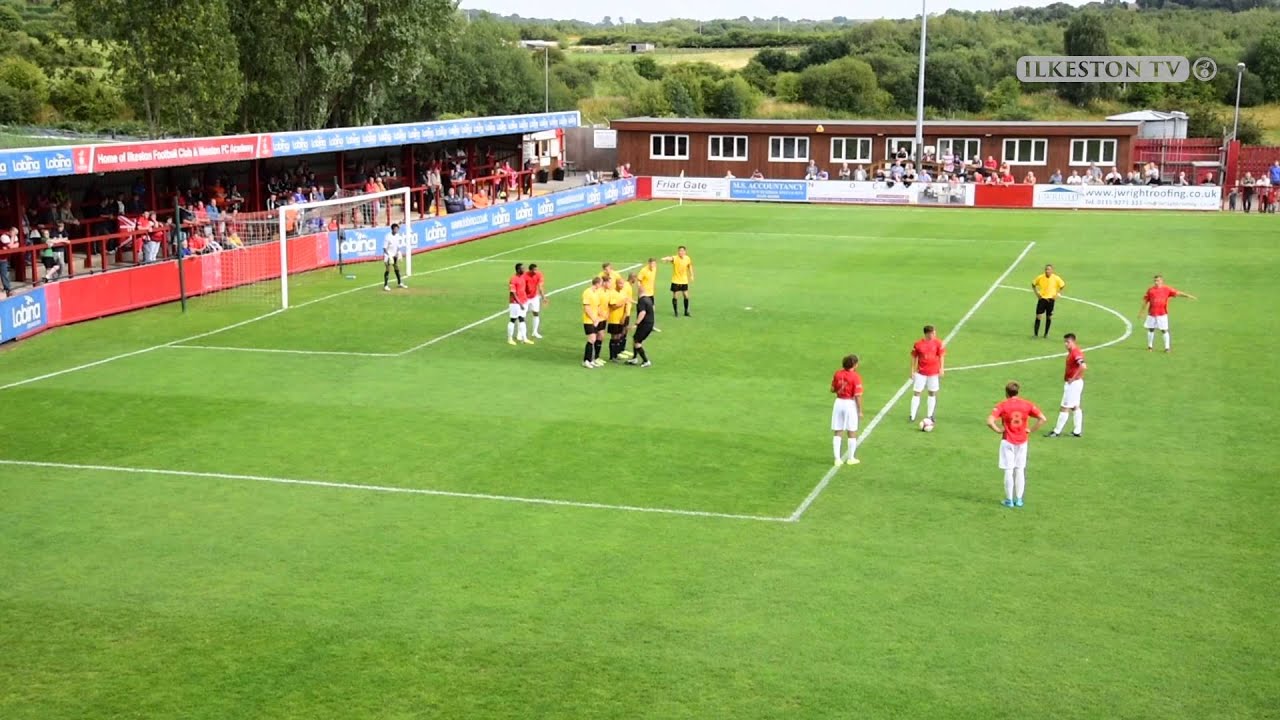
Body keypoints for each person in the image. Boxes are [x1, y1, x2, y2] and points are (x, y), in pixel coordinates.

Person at [987, 382, 1046, 507]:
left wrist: (998, 430)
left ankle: (1009, 500)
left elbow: (989, 421)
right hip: (1022, 441)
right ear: (1017, 392)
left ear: (1006, 393)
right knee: (1020, 469)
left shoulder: (1003, 405)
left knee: (1009, 470)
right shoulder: (1027, 404)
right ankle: (1019, 499)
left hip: (1008, 440)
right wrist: (1031, 430)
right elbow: (1042, 418)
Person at [1140, 274, 1197, 352]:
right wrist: (1142, 312)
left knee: (1164, 330)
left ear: (1162, 281)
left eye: (1158, 280)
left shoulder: (1166, 289)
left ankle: (1167, 348)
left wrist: (1188, 296)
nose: (1156, 282)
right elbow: (1146, 301)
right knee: (1150, 329)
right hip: (1152, 313)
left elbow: (1177, 293)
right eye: (1155, 281)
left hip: (1162, 313)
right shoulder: (1150, 290)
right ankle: (1150, 347)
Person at [1047, 333, 1086, 438]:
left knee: (1064, 407)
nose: (1065, 344)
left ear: (1073, 341)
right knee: (1075, 407)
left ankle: (1057, 431)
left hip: (1073, 384)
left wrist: (1073, 378)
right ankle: (1077, 431)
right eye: (1065, 342)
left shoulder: (1075, 353)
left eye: (1067, 342)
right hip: (1076, 383)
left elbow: (1083, 366)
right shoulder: (1072, 352)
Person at [830, 354, 864, 466]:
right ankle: (851, 458)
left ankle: (837, 459)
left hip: (838, 402)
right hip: (849, 404)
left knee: (838, 430)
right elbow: (858, 396)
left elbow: (832, 389)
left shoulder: (837, 373)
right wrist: (860, 410)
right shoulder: (855, 377)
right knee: (852, 430)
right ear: (854, 364)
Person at [909, 325, 946, 423]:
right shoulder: (918, 344)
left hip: (933, 373)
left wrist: (941, 368)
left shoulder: (938, 343)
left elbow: (941, 355)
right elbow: (913, 357)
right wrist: (912, 370)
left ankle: (930, 415)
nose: (935, 334)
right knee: (917, 392)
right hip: (921, 373)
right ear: (927, 333)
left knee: (932, 393)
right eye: (933, 333)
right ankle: (912, 415)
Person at [628, 277, 656, 367]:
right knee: (635, 338)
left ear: (638, 292)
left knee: (637, 343)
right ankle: (634, 358)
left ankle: (646, 361)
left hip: (645, 324)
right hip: (650, 323)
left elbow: (642, 312)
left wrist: (636, 324)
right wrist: (633, 301)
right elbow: (644, 307)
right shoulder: (647, 299)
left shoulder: (642, 301)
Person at [1032, 264, 1065, 338]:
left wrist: (1057, 294)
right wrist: (1037, 293)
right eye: (1046, 269)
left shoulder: (1056, 278)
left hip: (1051, 300)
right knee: (1038, 316)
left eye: (1049, 269)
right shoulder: (1040, 277)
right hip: (1042, 299)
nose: (1047, 271)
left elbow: (1062, 286)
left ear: (1052, 270)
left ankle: (1046, 334)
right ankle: (1035, 334)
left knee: (1049, 317)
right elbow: (1033, 284)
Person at [662, 246, 694, 317]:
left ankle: (686, 311)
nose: (681, 252)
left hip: (684, 280)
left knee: (686, 296)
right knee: (675, 296)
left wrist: (691, 275)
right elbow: (670, 258)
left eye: (682, 251)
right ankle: (676, 312)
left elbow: (689, 266)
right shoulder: (675, 258)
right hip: (675, 280)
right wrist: (665, 258)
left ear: (685, 252)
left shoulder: (687, 258)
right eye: (679, 251)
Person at [581, 277, 603, 369]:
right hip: (588, 320)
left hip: (595, 320)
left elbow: (597, 306)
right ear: (597, 283)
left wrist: (600, 316)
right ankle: (586, 360)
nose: (601, 285)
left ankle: (590, 360)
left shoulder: (596, 293)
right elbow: (587, 308)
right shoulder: (587, 292)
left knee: (593, 339)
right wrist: (594, 319)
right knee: (592, 339)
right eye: (601, 283)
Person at [506, 263, 531, 346]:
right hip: (515, 303)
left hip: (523, 301)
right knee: (513, 320)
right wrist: (519, 303)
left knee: (522, 319)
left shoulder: (522, 277)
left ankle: (524, 338)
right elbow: (513, 293)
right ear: (518, 270)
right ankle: (510, 339)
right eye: (522, 268)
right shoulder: (513, 279)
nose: (524, 270)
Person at [605, 277, 629, 362]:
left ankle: (617, 354)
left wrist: (624, 317)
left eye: (622, 284)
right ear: (616, 284)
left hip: (621, 318)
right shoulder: (612, 293)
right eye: (620, 283)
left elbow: (626, 306)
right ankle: (612, 356)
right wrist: (622, 302)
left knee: (619, 336)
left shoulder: (624, 293)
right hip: (613, 319)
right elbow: (613, 306)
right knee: (614, 336)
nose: (621, 285)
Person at [635, 257, 661, 333]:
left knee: (652, 309)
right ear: (649, 263)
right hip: (644, 294)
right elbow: (639, 280)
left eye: (654, 263)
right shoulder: (643, 270)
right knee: (642, 310)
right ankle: (639, 324)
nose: (653, 265)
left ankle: (651, 325)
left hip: (651, 293)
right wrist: (640, 289)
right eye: (652, 263)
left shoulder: (655, 269)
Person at [523, 263, 546, 339]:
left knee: (536, 313)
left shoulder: (539, 275)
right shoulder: (524, 276)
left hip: (534, 297)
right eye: (534, 270)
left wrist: (543, 297)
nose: (536, 271)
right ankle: (520, 333)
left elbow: (540, 286)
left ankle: (535, 332)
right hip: (525, 297)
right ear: (530, 270)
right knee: (522, 315)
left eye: (536, 269)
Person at [383, 223, 406, 291]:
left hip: (394, 254)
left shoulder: (397, 236)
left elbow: (398, 246)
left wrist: (399, 253)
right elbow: (384, 248)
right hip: (388, 255)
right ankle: (386, 285)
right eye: (396, 229)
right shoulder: (388, 237)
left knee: (396, 267)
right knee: (388, 269)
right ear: (392, 229)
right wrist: (389, 256)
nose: (397, 230)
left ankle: (400, 283)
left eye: (397, 229)